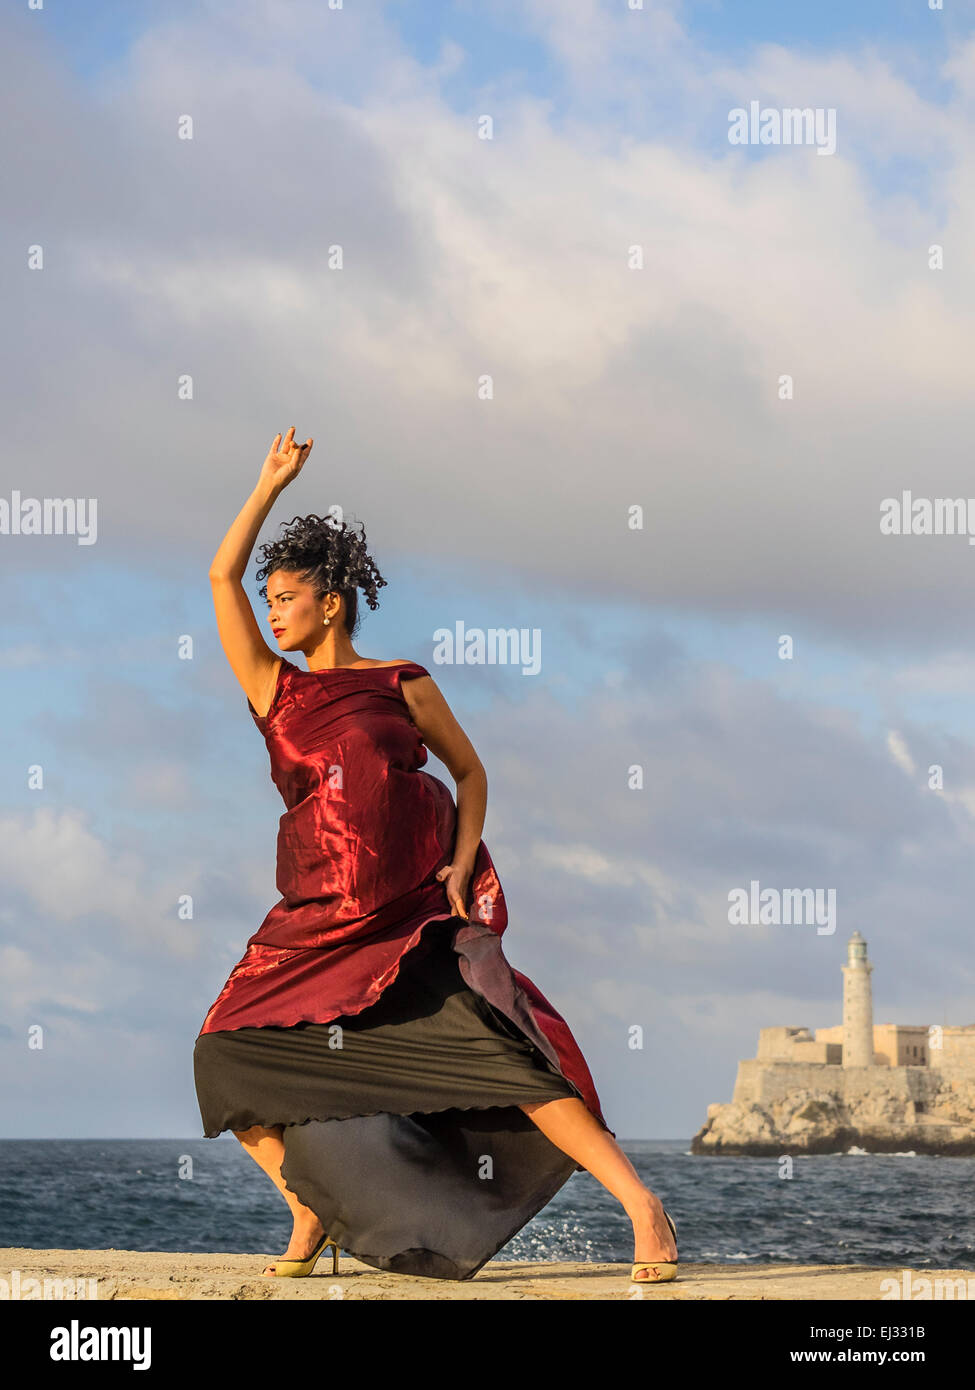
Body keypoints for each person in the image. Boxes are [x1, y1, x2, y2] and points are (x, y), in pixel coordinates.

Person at [193, 426, 679, 1284]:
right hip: (312, 923)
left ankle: (644, 1210)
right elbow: (218, 578)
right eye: (269, 600)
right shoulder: (276, 690)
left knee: (509, 1058)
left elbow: (470, 770)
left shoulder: (400, 683)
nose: (271, 610)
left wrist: (458, 865)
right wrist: (266, 486)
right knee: (224, 1053)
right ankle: (307, 1202)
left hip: (411, 917)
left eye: (286, 597)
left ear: (330, 604)